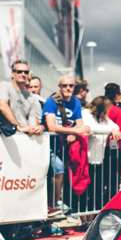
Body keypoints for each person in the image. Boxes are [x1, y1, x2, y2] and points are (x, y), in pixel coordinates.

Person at [43, 75, 92, 214]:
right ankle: (54, 204)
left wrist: (75, 132)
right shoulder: (51, 101)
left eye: (71, 86)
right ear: (59, 87)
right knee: (58, 169)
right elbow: (51, 126)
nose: (68, 88)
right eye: (64, 86)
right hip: (49, 144)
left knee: (65, 173)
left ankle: (56, 204)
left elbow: (80, 125)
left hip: (64, 146)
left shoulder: (76, 102)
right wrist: (74, 130)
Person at [0, 59, 43, 136]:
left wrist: (38, 128)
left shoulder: (32, 97)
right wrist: (18, 127)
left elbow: (33, 121)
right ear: (12, 73)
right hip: (7, 136)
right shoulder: (4, 86)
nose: (23, 74)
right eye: (19, 72)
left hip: (24, 137)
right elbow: (3, 106)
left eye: (26, 72)